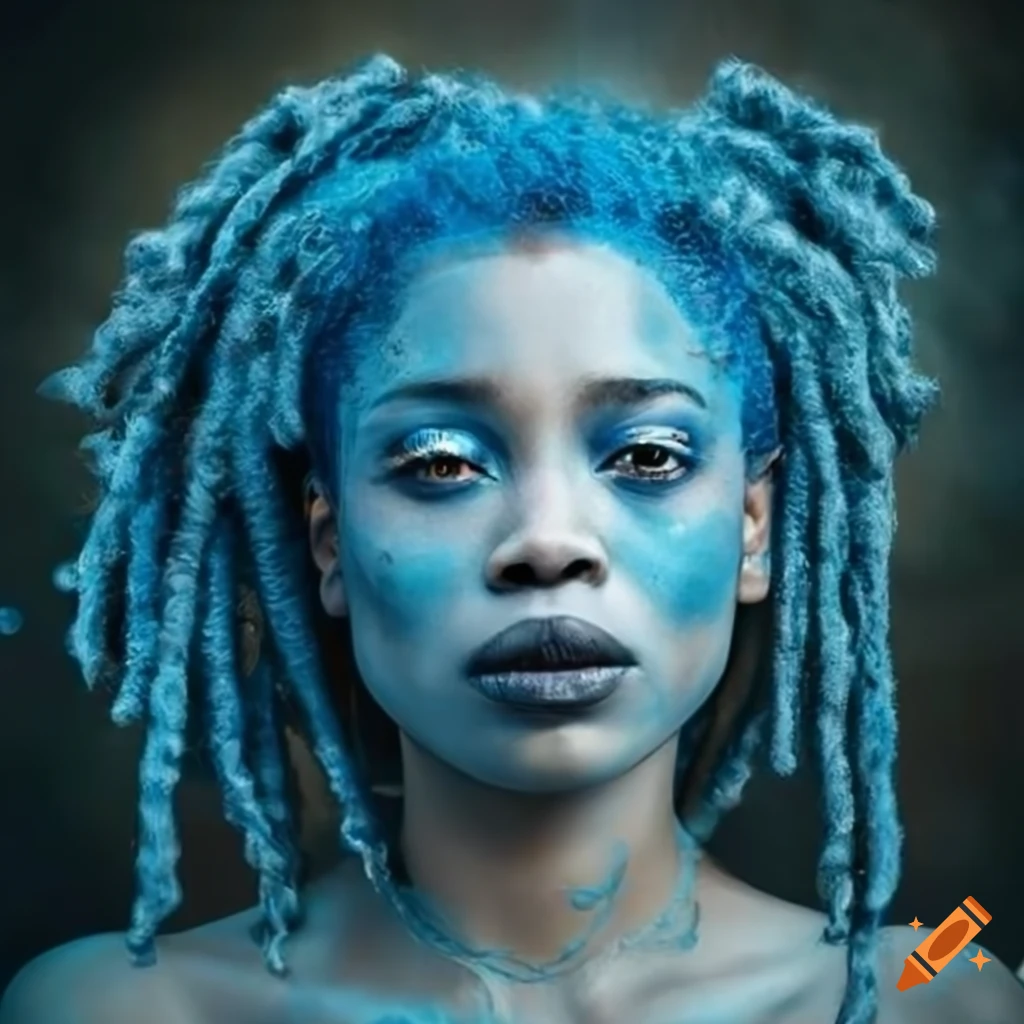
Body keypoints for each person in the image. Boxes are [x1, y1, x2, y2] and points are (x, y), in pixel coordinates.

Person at [1, 55, 1021, 1024]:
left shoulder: (942, 995)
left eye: (649, 456)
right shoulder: (121, 1009)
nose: (546, 542)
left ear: (752, 527)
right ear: (327, 543)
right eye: (442, 461)